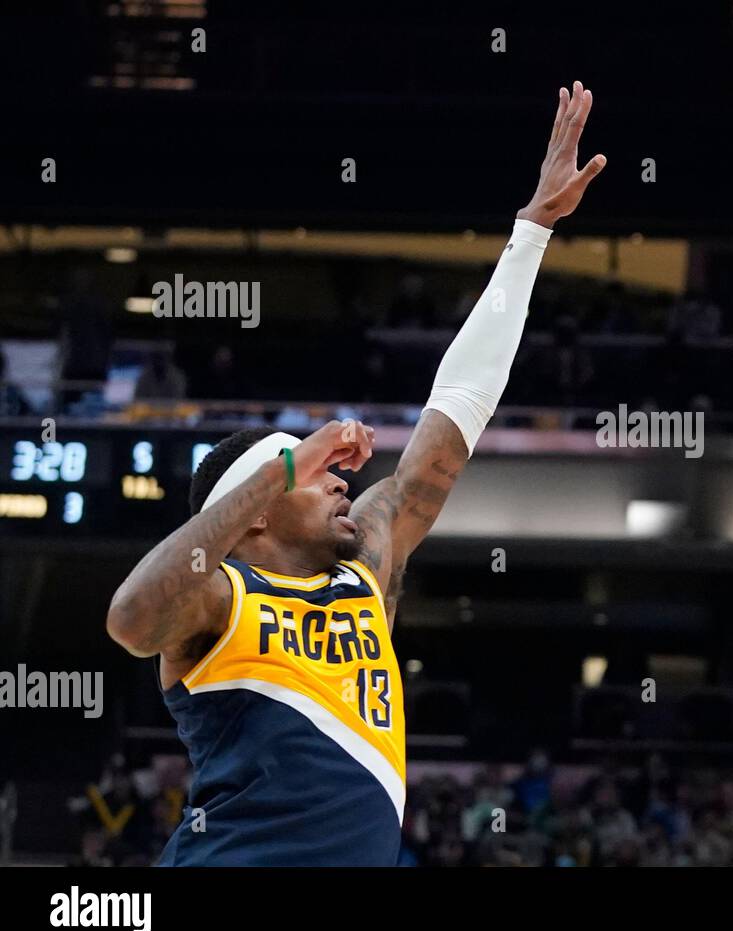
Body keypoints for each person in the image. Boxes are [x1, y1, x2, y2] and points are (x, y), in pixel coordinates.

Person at [105, 82, 606, 865]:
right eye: (313, 477)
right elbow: (132, 619)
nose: (340, 479)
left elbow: (456, 413)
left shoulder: (366, 570)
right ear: (259, 511)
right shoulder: (220, 599)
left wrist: (533, 231)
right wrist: (284, 464)